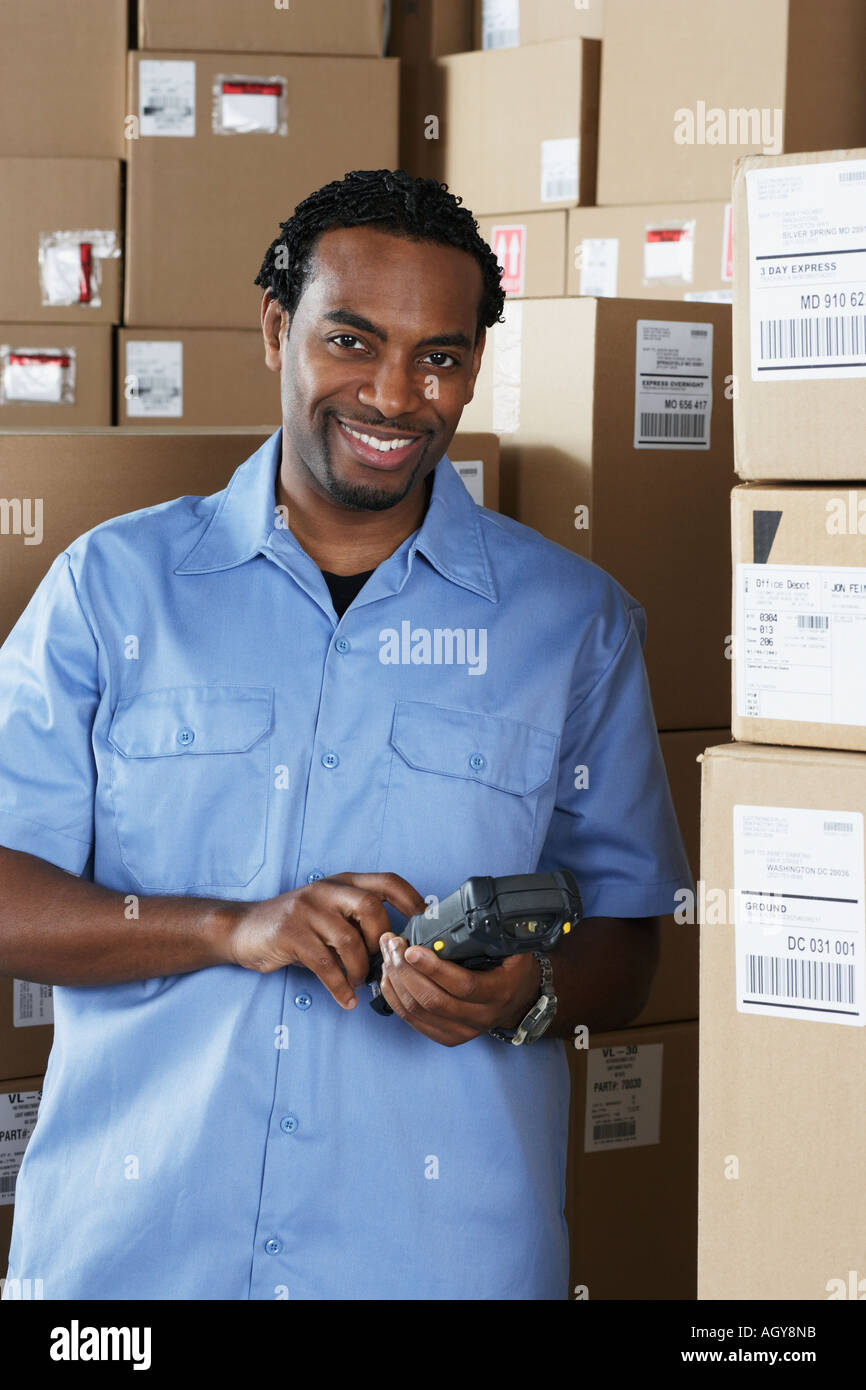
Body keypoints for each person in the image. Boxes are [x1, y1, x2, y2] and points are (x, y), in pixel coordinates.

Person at [0, 169, 693, 1300]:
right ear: (277, 330)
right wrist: (231, 926)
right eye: (351, 340)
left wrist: (525, 995)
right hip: (133, 1266)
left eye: (440, 357)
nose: (393, 394)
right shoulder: (111, 591)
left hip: (434, 1263)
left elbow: (622, 940)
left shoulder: (573, 625)